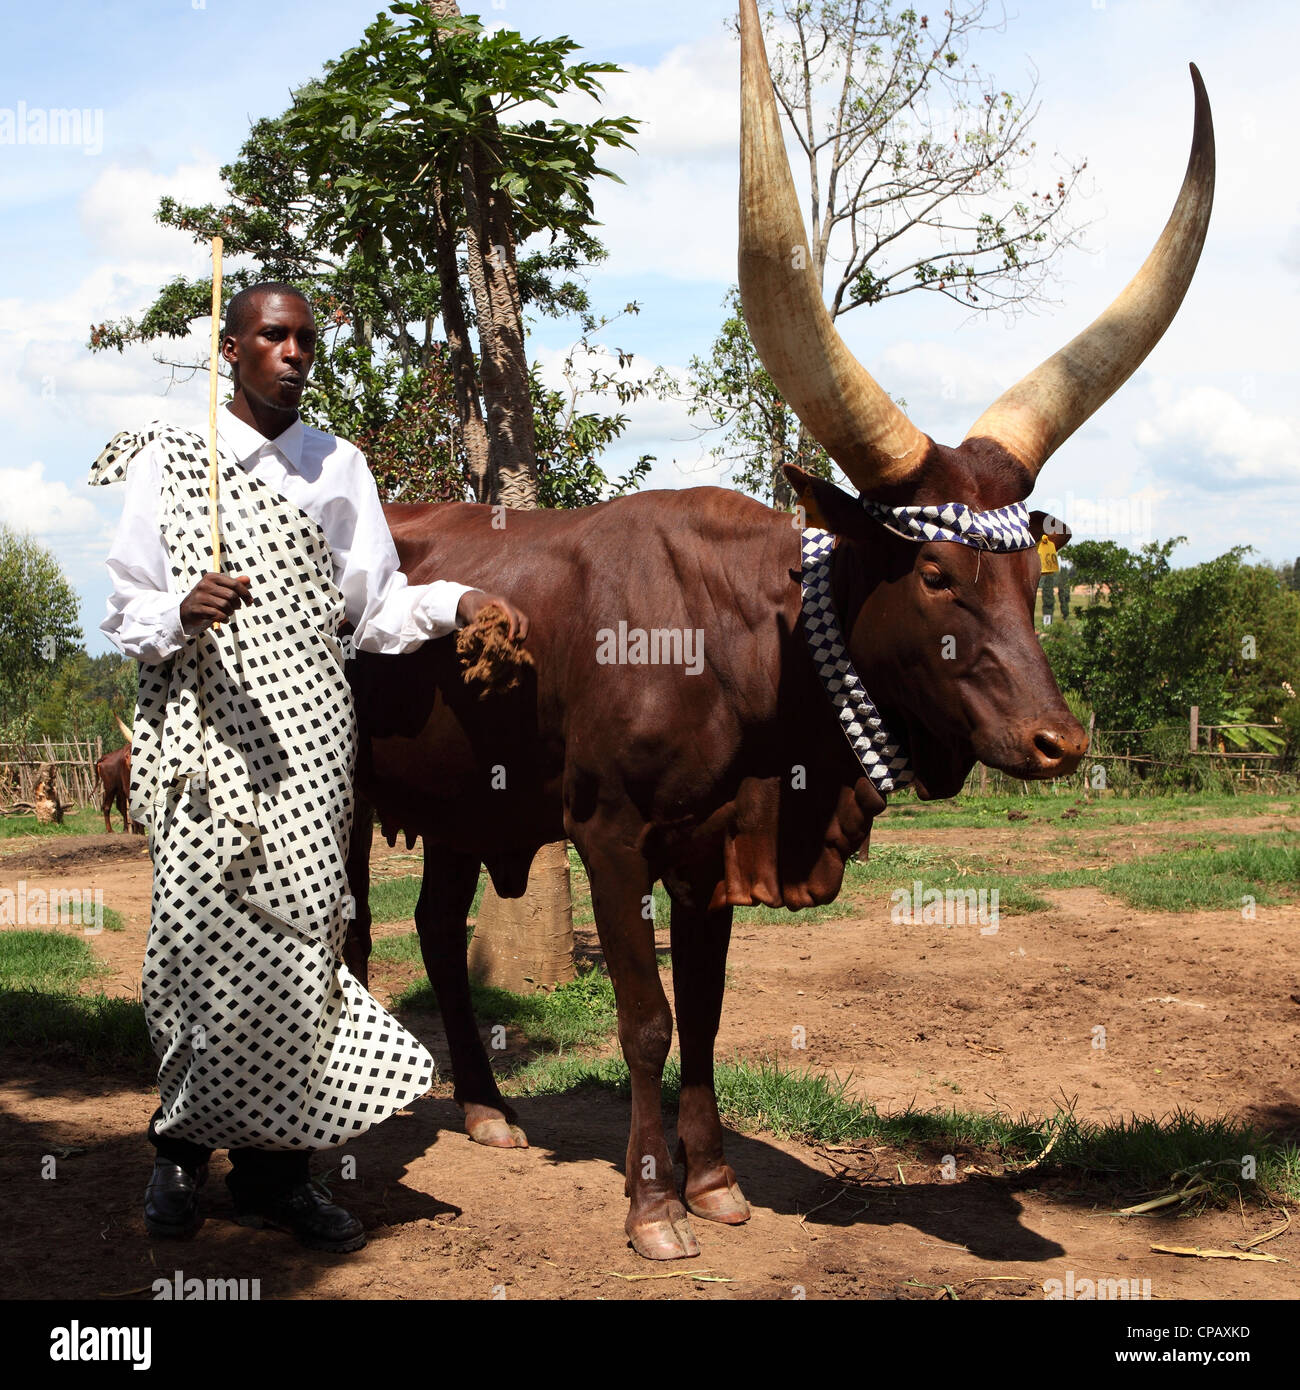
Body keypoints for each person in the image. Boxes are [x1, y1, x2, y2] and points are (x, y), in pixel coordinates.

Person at [93, 282, 527, 1253]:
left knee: (301, 952)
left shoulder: (339, 466)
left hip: (309, 748)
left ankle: (278, 1176)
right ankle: (177, 1155)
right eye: (275, 337)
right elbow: (125, 607)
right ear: (230, 346)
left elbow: (375, 612)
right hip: (204, 738)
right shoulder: (175, 460)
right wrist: (181, 609)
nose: (295, 353)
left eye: (307, 341)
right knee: (193, 946)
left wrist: (456, 602)